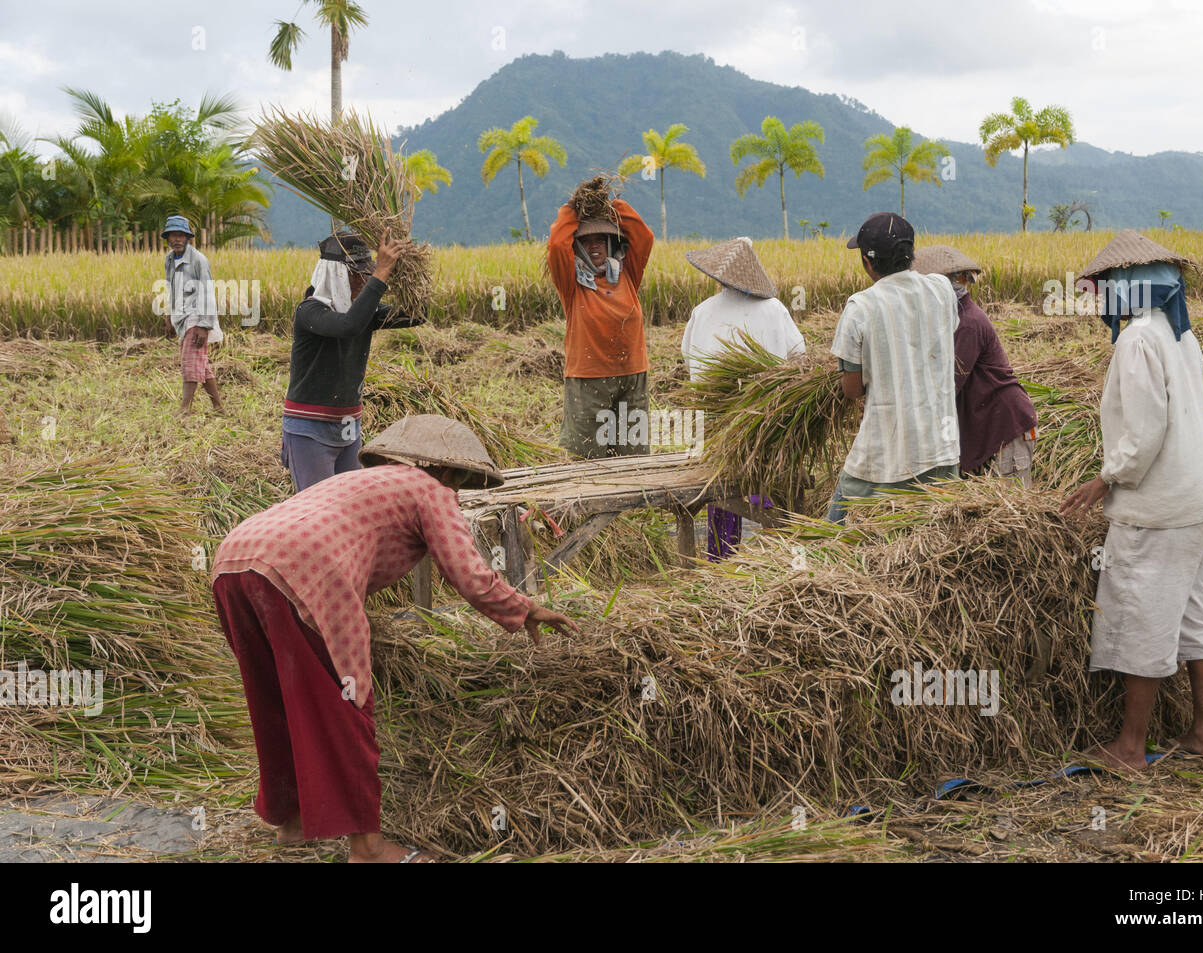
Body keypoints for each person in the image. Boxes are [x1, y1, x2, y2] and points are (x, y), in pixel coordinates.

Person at [211, 414, 579, 862]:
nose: (457, 492)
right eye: (459, 482)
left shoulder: (360, 482)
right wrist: (524, 609)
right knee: (347, 705)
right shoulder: (430, 490)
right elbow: (468, 574)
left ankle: (293, 823)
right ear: (447, 472)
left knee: (278, 698)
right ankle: (367, 848)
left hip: (234, 559)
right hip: (306, 569)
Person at [1060, 230, 1203, 772]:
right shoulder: (1179, 333)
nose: (1096, 299)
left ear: (1127, 288)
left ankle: (1130, 748)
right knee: (1194, 616)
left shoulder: (1137, 340)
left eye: (1102, 288)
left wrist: (1106, 478)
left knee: (1142, 617)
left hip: (1158, 508)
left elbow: (1146, 431)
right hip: (1196, 500)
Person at [827, 213, 960, 524]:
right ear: (910, 255)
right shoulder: (942, 289)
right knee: (929, 535)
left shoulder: (860, 307)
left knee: (833, 534)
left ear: (868, 263)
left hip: (887, 452)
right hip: (941, 449)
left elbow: (852, 390)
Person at [681, 237, 804, 559]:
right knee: (772, 487)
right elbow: (799, 358)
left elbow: (689, 361)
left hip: (716, 429)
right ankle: (780, 552)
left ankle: (721, 557)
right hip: (766, 427)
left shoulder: (702, 312)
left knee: (722, 492)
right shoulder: (775, 310)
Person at [281, 231, 418, 491]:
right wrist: (381, 273)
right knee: (318, 508)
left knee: (351, 505)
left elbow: (417, 315)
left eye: (366, 273)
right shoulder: (310, 311)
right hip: (310, 429)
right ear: (335, 275)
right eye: (355, 274)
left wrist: (407, 273)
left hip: (348, 427)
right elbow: (349, 326)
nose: (362, 280)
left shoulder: (366, 311)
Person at [912, 245, 1038, 485]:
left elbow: (947, 384)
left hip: (1005, 427)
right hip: (988, 425)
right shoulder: (950, 320)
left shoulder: (967, 323)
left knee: (1009, 513)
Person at [546, 178, 655, 458]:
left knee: (633, 457)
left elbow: (644, 236)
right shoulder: (572, 284)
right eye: (587, 240)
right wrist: (573, 208)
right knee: (587, 459)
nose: (594, 247)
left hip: (632, 378)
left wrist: (611, 205)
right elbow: (558, 243)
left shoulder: (628, 274)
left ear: (611, 242)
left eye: (600, 239)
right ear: (578, 247)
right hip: (588, 381)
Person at [162, 215, 224, 415]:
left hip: (197, 317)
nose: (177, 239)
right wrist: (170, 317)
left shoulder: (198, 260)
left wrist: (204, 325)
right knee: (201, 365)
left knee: (190, 361)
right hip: (182, 317)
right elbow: (171, 289)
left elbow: (207, 292)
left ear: (188, 238)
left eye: (181, 235)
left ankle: (184, 408)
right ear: (168, 238)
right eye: (173, 235)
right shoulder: (169, 260)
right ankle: (218, 408)